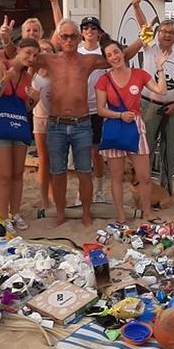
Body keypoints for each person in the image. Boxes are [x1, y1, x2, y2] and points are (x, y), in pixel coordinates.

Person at [35, 19, 112, 227]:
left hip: (82, 124)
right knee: (58, 172)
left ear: (79, 38)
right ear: (58, 38)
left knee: (84, 171)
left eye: (72, 36)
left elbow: (119, 58)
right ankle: (61, 213)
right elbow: (19, 55)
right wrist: (6, 38)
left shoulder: (88, 61)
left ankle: (86, 213)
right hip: (56, 124)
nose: (68, 39)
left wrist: (143, 39)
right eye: (64, 36)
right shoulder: (50, 60)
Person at [94, 40, 169, 223]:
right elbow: (100, 109)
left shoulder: (139, 74)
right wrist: (119, 115)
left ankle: (147, 213)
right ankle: (121, 215)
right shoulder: (104, 79)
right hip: (115, 126)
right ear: (106, 59)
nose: (114, 57)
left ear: (123, 52)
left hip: (135, 126)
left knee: (144, 176)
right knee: (117, 177)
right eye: (109, 55)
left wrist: (160, 68)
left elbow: (161, 91)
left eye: (116, 52)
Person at [125, 0, 174, 193]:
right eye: (164, 31)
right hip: (149, 106)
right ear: (158, 32)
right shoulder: (151, 49)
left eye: (171, 32)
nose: (167, 35)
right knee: (146, 149)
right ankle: (143, 189)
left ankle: (166, 190)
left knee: (169, 152)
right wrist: (136, 7)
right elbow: (143, 27)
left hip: (172, 107)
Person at [0, 38, 40, 230]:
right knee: (4, 175)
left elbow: (25, 108)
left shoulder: (27, 76)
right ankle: (3, 217)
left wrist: (35, 100)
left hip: (18, 125)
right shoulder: (1, 66)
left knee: (18, 173)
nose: (31, 58)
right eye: (28, 53)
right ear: (18, 50)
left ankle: (15, 213)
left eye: (35, 55)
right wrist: (5, 79)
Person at [79, 15, 108, 203]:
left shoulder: (104, 52)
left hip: (97, 109)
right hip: (78, 109)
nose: (90, 30)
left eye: (93, 28)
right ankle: (82, 191)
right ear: (81, 32)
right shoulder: (76, 51)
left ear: (99, 32)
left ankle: (98, 189)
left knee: (97, 153)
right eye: (86, 27)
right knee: (81, 152)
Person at [32, 38, 55, 214]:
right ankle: (43, 197)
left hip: (57, 119)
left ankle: (54, 195)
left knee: (56, 160)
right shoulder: (32, 72)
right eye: (42, 50)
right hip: (39, 117)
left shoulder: (59, 72)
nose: (45, 52)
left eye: (49, 49)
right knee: (43, 160)